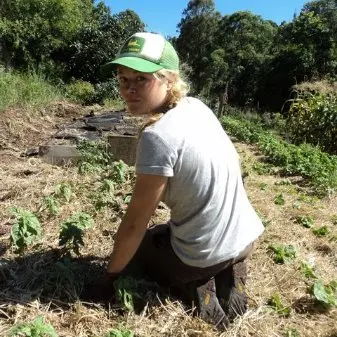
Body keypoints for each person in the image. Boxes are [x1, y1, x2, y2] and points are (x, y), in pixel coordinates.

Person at [83, 32, 264, 331]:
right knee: (170, 232)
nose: (129, 89)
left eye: (142, 79)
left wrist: (108, 280)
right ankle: (229, 267)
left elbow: (134, 223)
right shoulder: (197, 107)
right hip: (246, 239)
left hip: (200, 258)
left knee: (142, 248)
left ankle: (195, 282)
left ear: (169, 79)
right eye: (123, 79)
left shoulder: (158, 136)